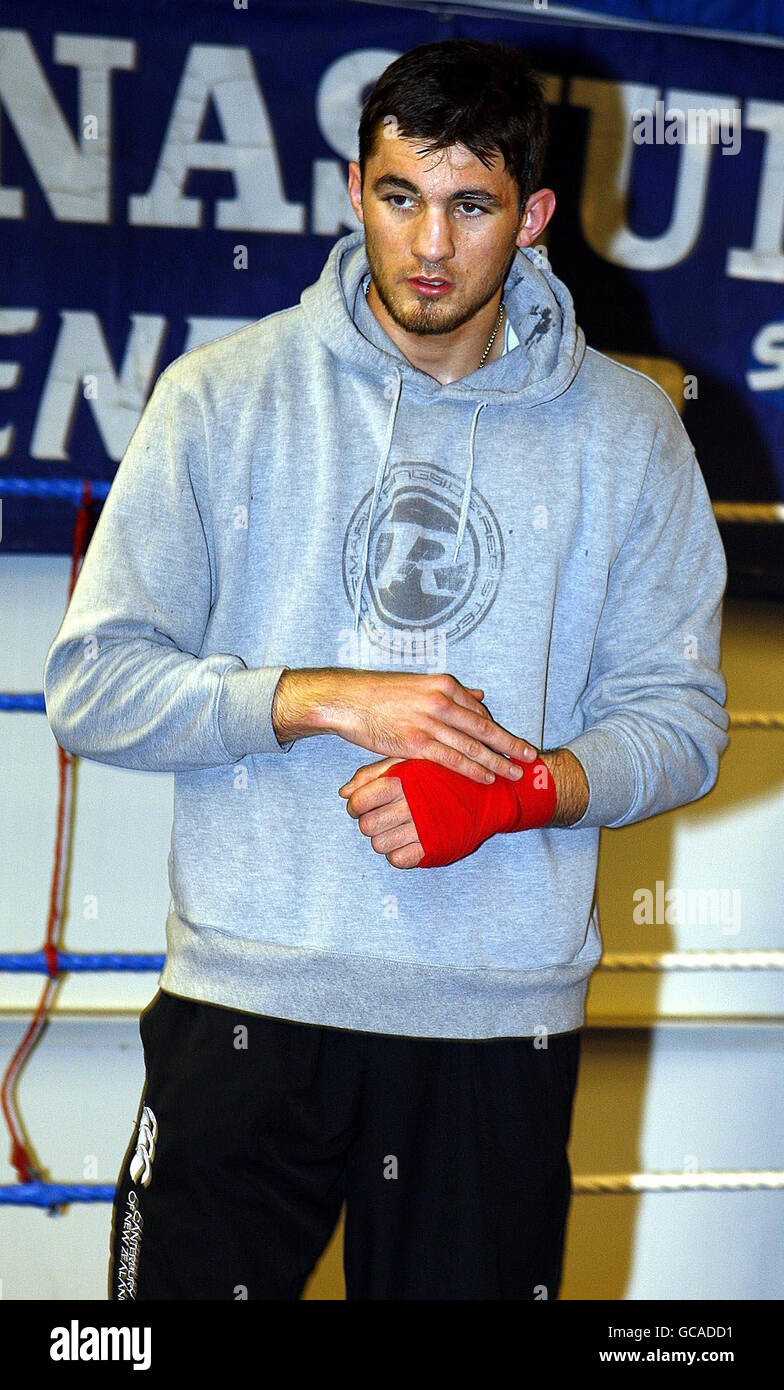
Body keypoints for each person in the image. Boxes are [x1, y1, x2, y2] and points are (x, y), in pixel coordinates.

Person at [42, 38, 730, 1301]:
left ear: (530, 218)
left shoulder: (630, 434)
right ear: (353, 189)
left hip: (492, 1024)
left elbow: (681, 722)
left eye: (469, 206)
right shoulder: (222, 399)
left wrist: (523, 789)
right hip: (248, 1005)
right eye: (400, 195)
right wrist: (315, 698)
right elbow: (91, 685)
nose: (427, 244)